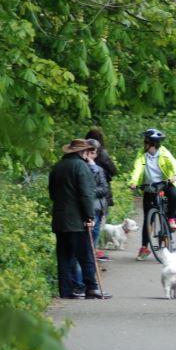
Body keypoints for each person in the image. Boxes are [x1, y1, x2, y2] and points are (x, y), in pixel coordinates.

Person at [49, 139, 111, 299]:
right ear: (81, 152)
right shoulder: (81, 167)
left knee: (64, 256)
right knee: (86, 254)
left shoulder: (57, 167)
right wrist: (89, 216)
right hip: (78, 220)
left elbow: (52, 194)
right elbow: (86, 194)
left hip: (60, 218)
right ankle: (91, 287)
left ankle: (66, 290)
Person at [128, 128, 176, 261]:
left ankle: (171, 219)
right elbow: (137, 169)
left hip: (165, 183)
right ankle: (144, 248)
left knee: (175, 195)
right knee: (148, 220)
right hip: (149, 188)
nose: (143, 144)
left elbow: (175, 165)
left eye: (145, 142)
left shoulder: (164, 153)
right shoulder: (142, 155)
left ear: (151, 144)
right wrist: (133, 182)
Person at [86, 127, 117, 261]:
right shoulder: (102, 154)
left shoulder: (82, 154)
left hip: (87, 192)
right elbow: (113, 170)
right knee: (98, 222)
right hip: (101, 191)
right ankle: (93, 251)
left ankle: (91, 250)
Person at [86, 138, 110, 266]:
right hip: (90, 209)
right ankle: (89, 270)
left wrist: (90, 192)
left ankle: (91, 266)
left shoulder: (98, 169)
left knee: (93, 240)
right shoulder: (83, 167)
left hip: (98, 208)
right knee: (88, 243)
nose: (93, 155)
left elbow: (104, 189)